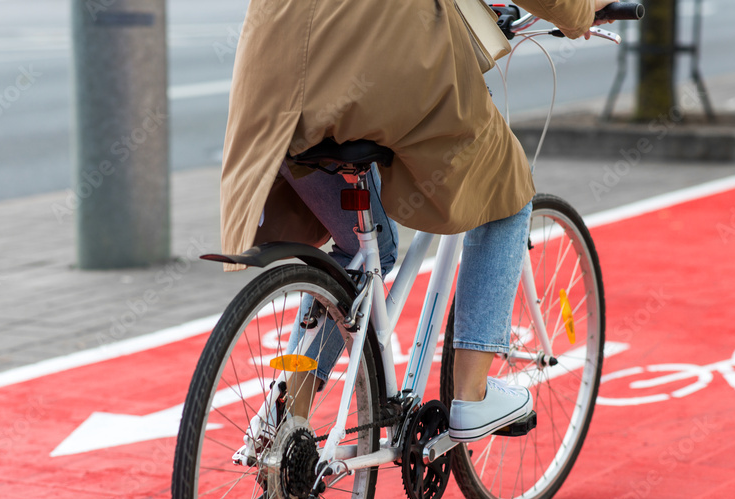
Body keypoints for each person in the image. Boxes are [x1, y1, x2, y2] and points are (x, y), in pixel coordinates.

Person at [222, 0, 614, 446]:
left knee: (362, 247)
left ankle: (284, 421)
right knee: (505, 186)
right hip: (374, 67)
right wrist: (581, 10)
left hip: (273, 78)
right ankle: (471, 396)